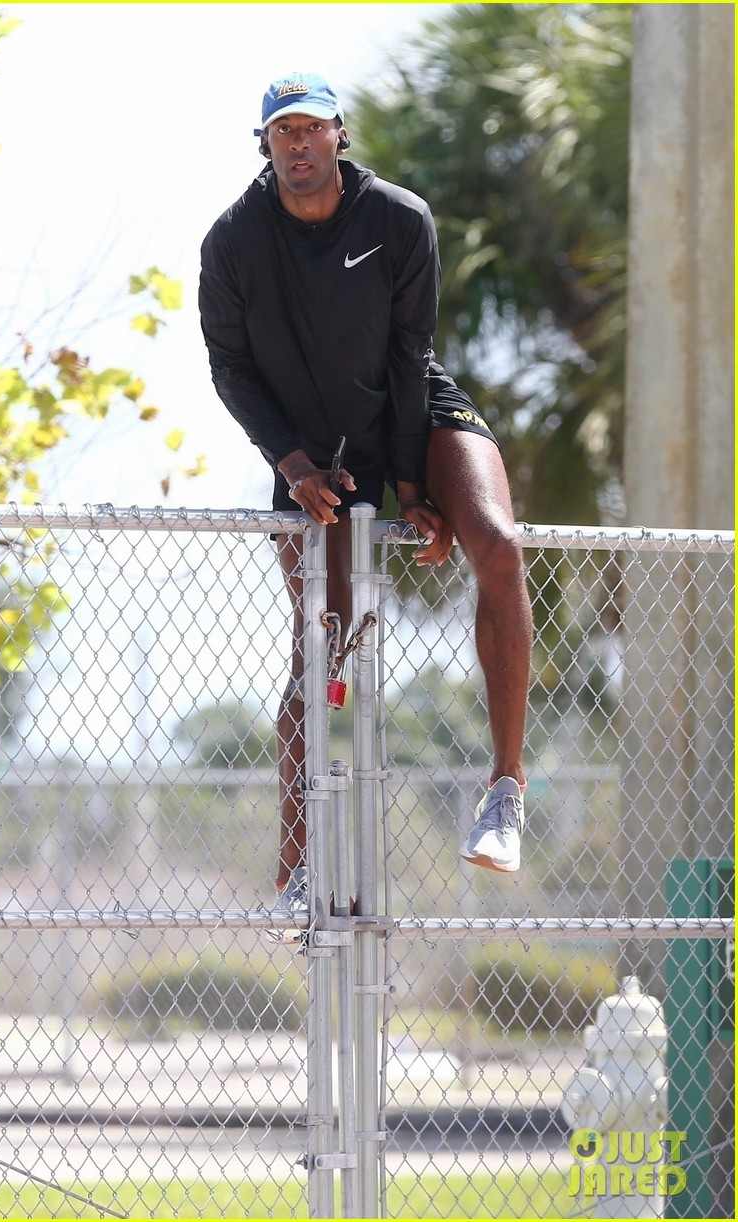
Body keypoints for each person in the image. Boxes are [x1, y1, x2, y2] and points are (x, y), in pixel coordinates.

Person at [199, 73, 533, 936]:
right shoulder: (233, 241)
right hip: (310, 450)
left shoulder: (398, 218)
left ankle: (504, 791)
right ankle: (300, 866)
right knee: (326, 654)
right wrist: (290, 459)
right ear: (265, 145)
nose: (298, 144)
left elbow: (409, 349)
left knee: (497, 545)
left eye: (313, 129)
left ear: (340, 136)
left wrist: (415, 489)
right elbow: (231, 369)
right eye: (282, 133)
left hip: (409, 407)